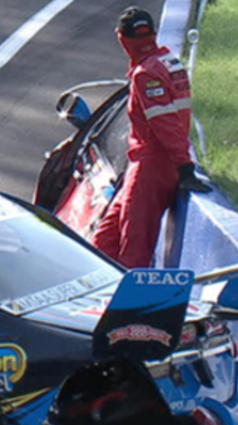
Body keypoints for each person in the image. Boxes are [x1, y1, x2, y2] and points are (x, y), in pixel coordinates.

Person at [90, 6, 210, 268]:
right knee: (103, 243)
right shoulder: (171, 63)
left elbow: (164, 123)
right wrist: (182, 165)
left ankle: (131, 308)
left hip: (149, 169)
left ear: (123, 39)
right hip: (159, 166)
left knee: (135, 253)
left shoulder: (145, 75)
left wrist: (185, 165)